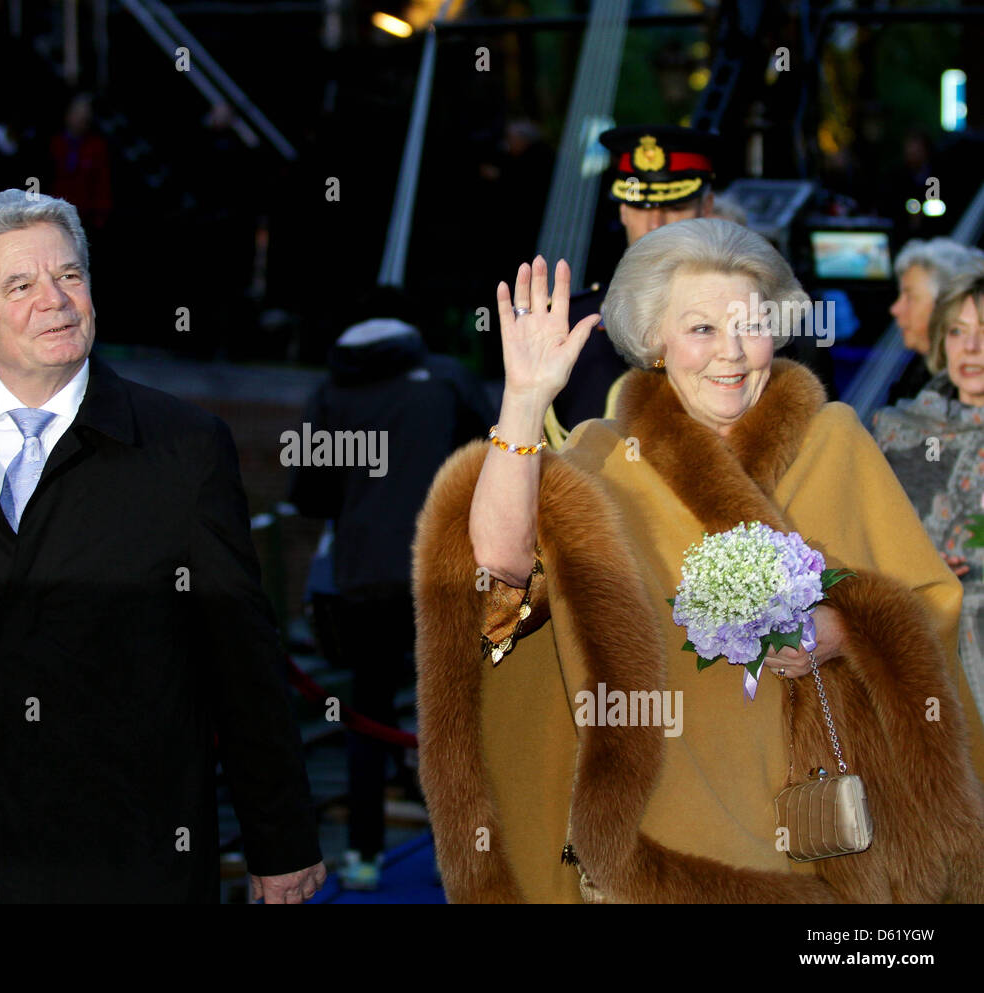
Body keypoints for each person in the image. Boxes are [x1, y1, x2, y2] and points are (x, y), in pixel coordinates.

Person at [413, 218, 984, 903]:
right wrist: (525, 400)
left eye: (750, 324)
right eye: (702, 329)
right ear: (655, 340)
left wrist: (841, 630)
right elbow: (499, 581)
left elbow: (931, 602)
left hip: (824, 833)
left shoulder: (835, 439)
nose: (733, 353)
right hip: (664, 835)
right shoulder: (601, 456)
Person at [0, 189, 325, 904]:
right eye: (20, 285)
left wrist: (282, 838)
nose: (54, 300)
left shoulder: (183, 447)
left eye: (69, 276)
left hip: (135, 864)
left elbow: (243, 662)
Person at [289, 304, 493, 889]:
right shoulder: (448, 379)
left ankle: (362, 855)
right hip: (447, 570)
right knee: (454, 713)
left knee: (366, 712)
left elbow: (309, 494)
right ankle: (457, 851)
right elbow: (496, 461)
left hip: (363, 577)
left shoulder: (332, 392)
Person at [553, 125, 719, 435]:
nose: (655, 223)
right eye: (641, 206)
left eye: (674, 206)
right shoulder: (569, 323)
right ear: (623, 211)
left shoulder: (750, 324)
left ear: (706, 208)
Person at [873, 267, 984, 723]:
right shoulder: (896, 431)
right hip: (921, 642)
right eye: (957, 331)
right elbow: (864, 535)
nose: (970, 348)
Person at [886, 238, 984, 405]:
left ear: (944, 304)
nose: (895, 309)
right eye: (957, 331)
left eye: (910, 297)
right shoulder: (914, 374)